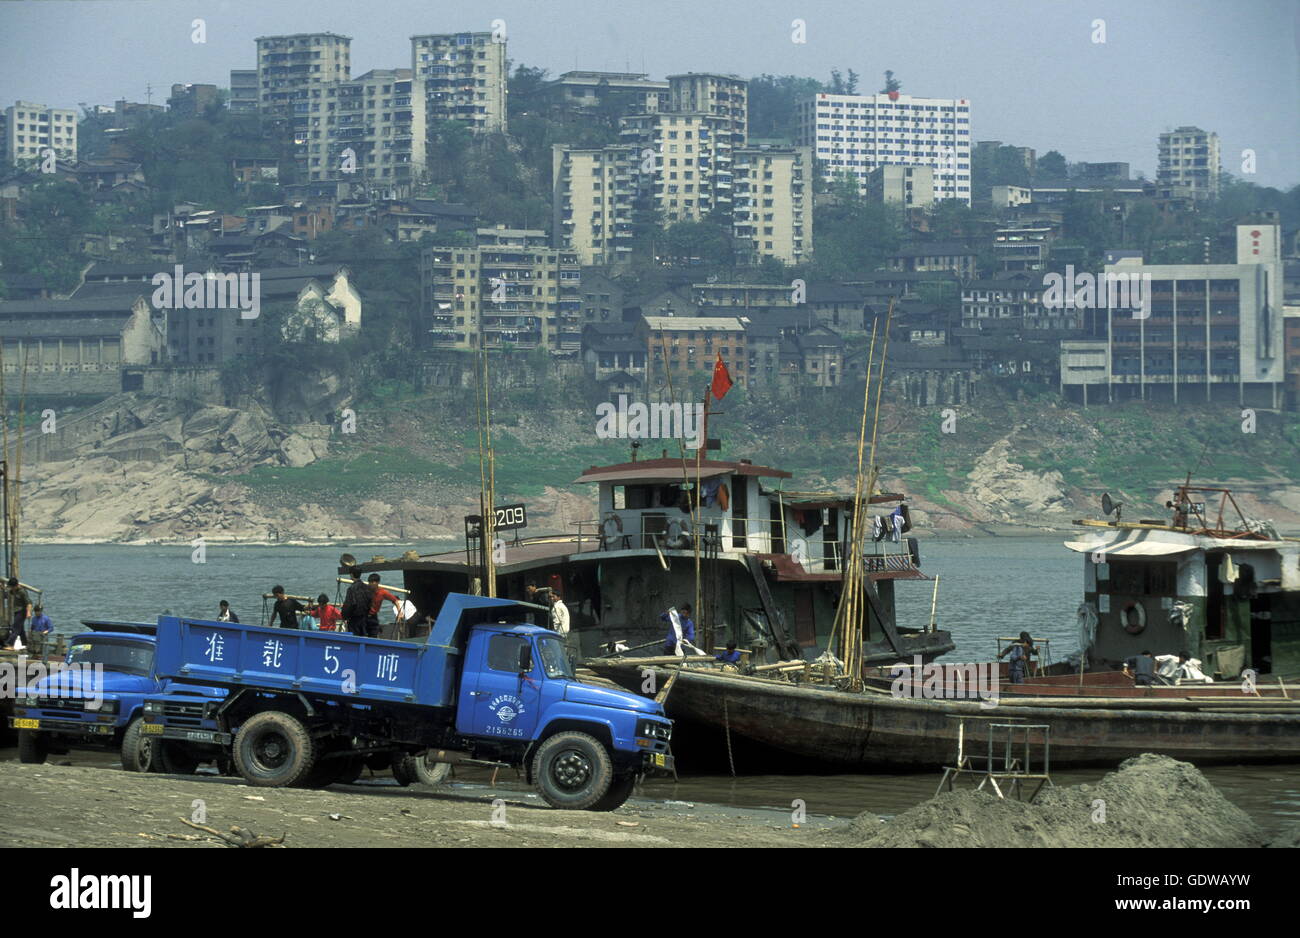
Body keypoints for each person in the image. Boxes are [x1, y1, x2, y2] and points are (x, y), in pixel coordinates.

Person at [365, 574, 401, 638]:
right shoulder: (364, 590)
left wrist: (399, 612)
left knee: (373, 635)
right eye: (370, 582)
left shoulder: (382, 592)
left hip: (373, 617)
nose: (371, 584)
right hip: (363, 616)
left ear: (378, 582)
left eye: (373, 582)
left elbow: (395, 600)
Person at [340, 567, 371, 636]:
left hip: (354, 620)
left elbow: (349, 605)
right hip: (365, 619)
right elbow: (370, 602)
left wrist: (344, 616)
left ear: (351, 575)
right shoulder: (366, 587)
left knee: (355, 639)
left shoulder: (351, 589)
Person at [3, 578, 31, 650]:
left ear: (16, 585)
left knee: (15, 628)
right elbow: (9, 592)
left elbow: (29, 603)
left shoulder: (23, 592)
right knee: (21, 630)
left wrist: (28, 612)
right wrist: (3, 587)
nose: (12, 588)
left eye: (12, 587)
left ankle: (10, 644)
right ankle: (25, 644)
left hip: (22, 612)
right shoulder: (14, 590)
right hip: (16, 611)